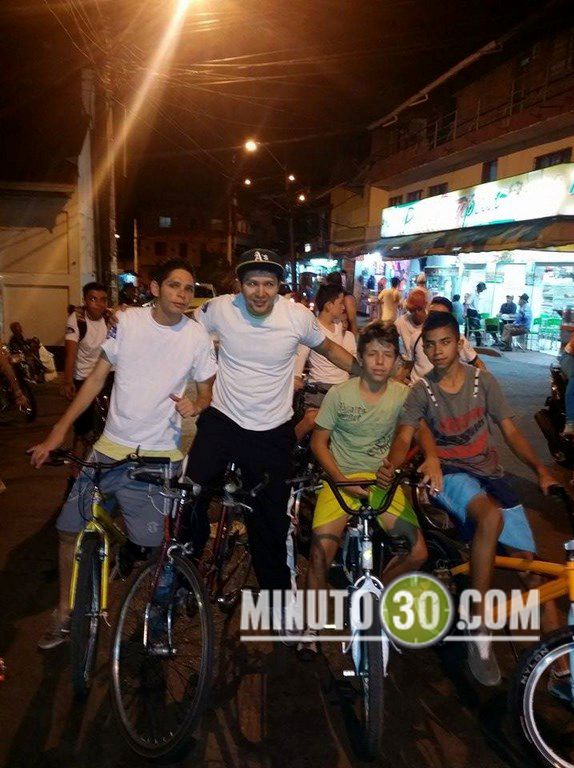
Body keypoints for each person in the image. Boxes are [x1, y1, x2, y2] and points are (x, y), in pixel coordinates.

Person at [29, 259, 217, 649]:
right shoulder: (128, 323)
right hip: (108, 449)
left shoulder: (196, 337)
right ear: (154, 288)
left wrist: (194, 407)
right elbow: (97, 377)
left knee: (156, 550)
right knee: (67, 531)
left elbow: (206, 391)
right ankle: (64, 613)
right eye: (174, 286)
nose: (182, 295)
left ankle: (155, 619)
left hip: (158, 455)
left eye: (188, 288)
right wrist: (57, 432)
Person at [380, 311, 556, 686]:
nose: (437, 350)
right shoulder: (420, 391)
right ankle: (479, 628)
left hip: (491, 475)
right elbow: (404, 435)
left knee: (533, 570)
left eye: (445, 342)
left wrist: (540, 468)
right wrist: (389, 469)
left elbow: (510, 432)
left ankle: (564, 670)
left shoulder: (483, 382)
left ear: (459, 342)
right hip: (450, 476)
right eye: (429, 345)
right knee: (490, 518)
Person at [187, 249, 361, 623]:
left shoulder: (296, 317)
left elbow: (330, 349)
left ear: (279, 286)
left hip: (271, 430)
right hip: (224, 418)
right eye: (252, 283)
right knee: (191, 492)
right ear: (240, 285)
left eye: (268, 283)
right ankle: (182, 571)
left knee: (270, 523)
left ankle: (278, 607)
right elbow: (183, 329)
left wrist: (373, 377)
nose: (260, 292)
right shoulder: (219, 308)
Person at [299, 323, 437, 655]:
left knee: (418, 553)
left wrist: (432, 456)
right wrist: (339, 479)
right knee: (319, 554)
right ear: (360, 357)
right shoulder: (339, 394)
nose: (379, 361)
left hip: (382, 484)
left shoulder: (403, 395)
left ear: (396, 361)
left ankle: (379, 603)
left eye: (387, 355)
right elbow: (319, 443)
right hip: (339, 480)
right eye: (372, 353)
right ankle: (311, 624)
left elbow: (420, 432)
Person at [294, 283, 357, 441]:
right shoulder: (312, 329)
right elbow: (300, 359)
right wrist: (296, 379)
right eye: (340, 303)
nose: (344, 308)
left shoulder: (341, 328)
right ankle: (288, 449)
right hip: (320, 391)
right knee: (311, 420)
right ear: (329, 305)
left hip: (343, 391)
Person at [63, 282, 112, 464]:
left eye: (103, 300)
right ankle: (76, 464)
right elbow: (70, 353)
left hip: (107, 373)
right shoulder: (77, 320)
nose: (98, 304)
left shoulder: (110, 318)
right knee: (82, 426)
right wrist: (68, 382)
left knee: (110, 420)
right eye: (93, 299)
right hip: (83, 377)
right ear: (85, 300)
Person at [396, 293, 484, 384]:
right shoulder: (417, 337)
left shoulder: (457, 339)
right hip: (418, 392)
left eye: (445, 342)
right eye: (432, 314)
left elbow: (478, 364)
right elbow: (409, 365)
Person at [326, 271, 358, 336]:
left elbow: (353, 322)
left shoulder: (347, 298)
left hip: (345, 335)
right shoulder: (330, 297)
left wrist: (352, 341)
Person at [466, 281, 488, 345]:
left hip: (474, 312)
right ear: (480, 288)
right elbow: (467, 303)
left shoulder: (477, 294)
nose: (483, 290)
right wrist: (465, 313)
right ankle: (479, 342)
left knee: (471, 329)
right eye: (483, 288)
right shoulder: (473, 294)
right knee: (475, 328)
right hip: (471, 312)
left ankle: (478, 342)